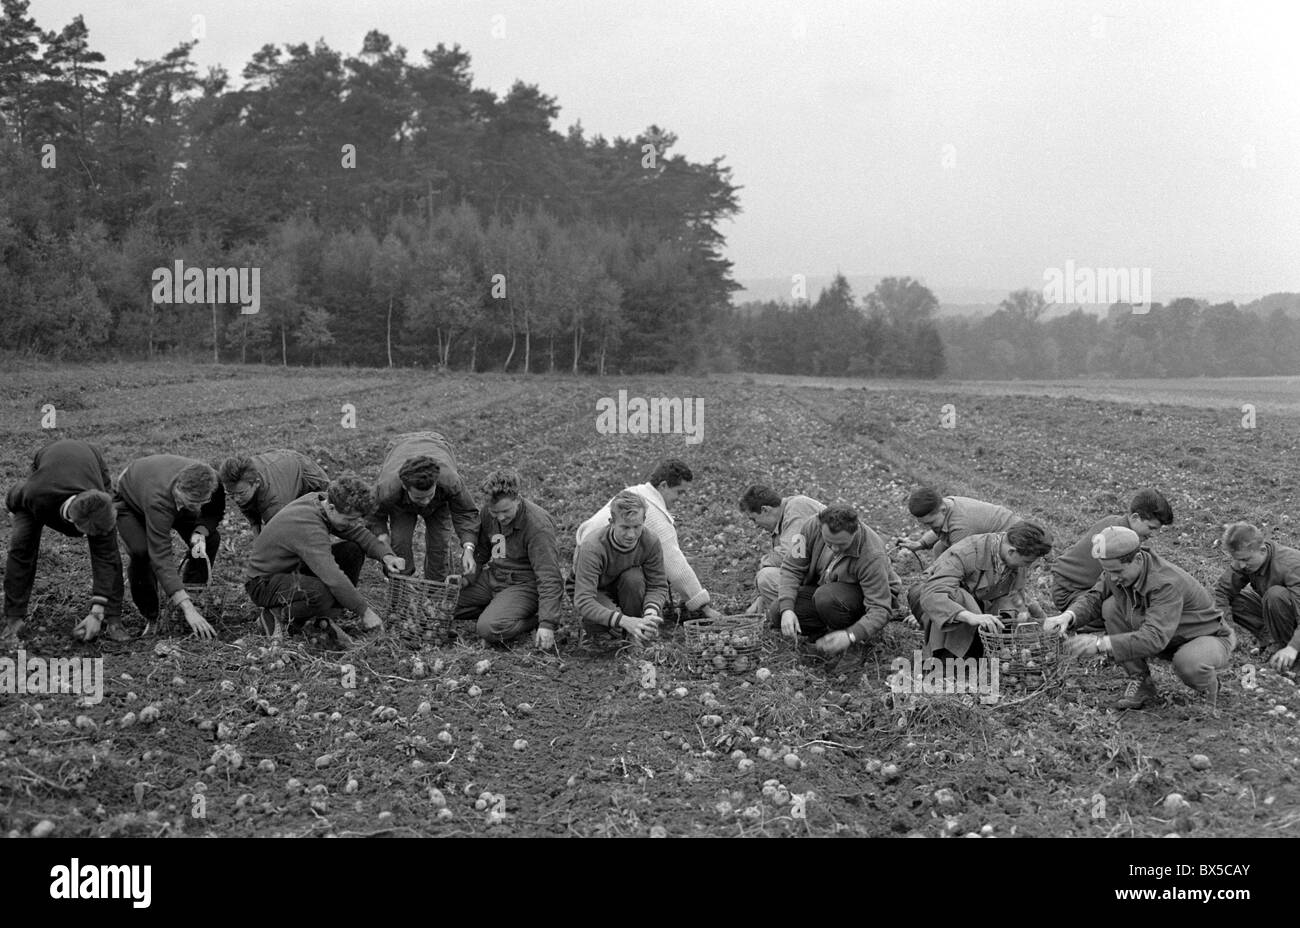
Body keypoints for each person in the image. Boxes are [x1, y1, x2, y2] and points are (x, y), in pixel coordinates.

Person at [1045, 526, 1235, 710]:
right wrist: (1068, 616)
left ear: (1137, 559)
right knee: (1110, 607)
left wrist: (1099, 644)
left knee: (1189, 663)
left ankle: (1210, 691)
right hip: (1167, 636)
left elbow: (1154, 638)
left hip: (1203, 637)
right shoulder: (1116, 570)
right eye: (1108, 571)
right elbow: (1094, 597)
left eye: (1117, 571)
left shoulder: (1165, 583)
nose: (1113, 577)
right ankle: (1141, 682)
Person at [244, 475, 404, 640]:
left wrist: (386, 556)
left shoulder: (322, 502)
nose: (353, 524)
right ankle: (277, 614)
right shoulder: (309, 527)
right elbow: (333, 578)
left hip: (290, 570)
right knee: (320, 593)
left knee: (352, 550)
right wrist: (364, 612)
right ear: (332, 508)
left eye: (356, 519)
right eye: (350, 519)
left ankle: (325, 615)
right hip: (263, 583)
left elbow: (358, 533)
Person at [4, 439, 125, 642]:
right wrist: (12, 511)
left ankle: (113, 618)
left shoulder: (101, 506)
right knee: (21, 546)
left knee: (109, 550)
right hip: (47, 461)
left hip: (89, 455)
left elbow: (106, 558)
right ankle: (13, 618)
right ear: (76, 527)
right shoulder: (35, 494)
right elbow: (14, 496)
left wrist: (97, 611)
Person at [576, 459, 722, 620]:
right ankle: (627, 621)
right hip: (593, 577)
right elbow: (676, 565)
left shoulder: (635, 493)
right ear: (664, 485)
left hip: (595, 567)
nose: (681, 498)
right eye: (679, 492)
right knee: (629, 590)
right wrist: (703, 606)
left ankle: (631, 619)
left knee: (634, 576)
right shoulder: (651, 512)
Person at [772, 505, 901, 672]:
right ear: (820, 526)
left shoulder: (872, 554)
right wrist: (787, 609)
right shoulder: (809, 527)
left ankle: (855, 645)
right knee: (778, 611)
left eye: (841, 544)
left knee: (826, 597)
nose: (835, 549)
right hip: (826, 589)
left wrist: (851, 635)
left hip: (863, 598)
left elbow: (880, 608)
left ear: (855, 531)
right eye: (829, 543)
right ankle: (826, 638)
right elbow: (792, 567)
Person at [113, 454, 224, 639]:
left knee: (210, 539)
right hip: (130, 501)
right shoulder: (159, 501)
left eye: (201, 503)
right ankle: (152, 615)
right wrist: (187, 609)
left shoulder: (213, 482)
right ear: (178, 489)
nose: (197, 508)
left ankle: (193, 593)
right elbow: (161, 555)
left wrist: (200, 532)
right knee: (142, 552)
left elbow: (214, 512)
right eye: (191, 502)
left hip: (173, 498)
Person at [454, 469, 565, 649]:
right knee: (445, 601)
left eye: (505, 511)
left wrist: (547, 623)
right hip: (495, 577)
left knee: (488, 628)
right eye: (495, 512)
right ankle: (499, 610)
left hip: (524, 585)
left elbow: (549, 576)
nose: (500, 517)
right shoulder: (488, 513)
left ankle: (532, 619)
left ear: (517, 499)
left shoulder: (538, 526)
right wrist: (468, 578)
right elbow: (481, 552)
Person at [910, 521, 1054, 659]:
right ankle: (944, 656)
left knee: (1006, 606)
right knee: (959, 597)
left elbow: (1018, 595)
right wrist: (970, 616)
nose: (1028, 566)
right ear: (1011, 551)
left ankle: (983, 650)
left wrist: (1044, 621)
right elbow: (933, 593)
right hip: (929, 593)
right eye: (1027, 561)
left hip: (975, 600)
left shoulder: (1014, 559)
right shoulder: (967, 552)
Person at [1050, 489, 1174, 624]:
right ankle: (1083, 626)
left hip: (1068, 586)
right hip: (1071, 592)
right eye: (1151, 528)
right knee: (1122, 609)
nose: (1154, 534)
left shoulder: (1114, 524)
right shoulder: (1121, 543)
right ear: (1135, 518)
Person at [368, 431, 479, 581]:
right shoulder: (388, 489)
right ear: (405, 487)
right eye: (419, 497)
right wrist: (382, 539)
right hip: (400, 448)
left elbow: (465, 513)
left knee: (439, 544)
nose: (426, 501)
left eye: (429, 495)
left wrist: (468, 548)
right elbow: (373, 516)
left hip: (436, 445)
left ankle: (436, 586)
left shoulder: (450, 481)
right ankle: (401, 584)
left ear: (436, 483)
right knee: (399, 543)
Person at [572, 490, 668, 643]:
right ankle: (603, 632)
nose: (631, 535)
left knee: (634, 578)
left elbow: (657, 585)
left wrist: (650, 613)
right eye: (625, 527)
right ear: (612, 522)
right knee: (608, 627)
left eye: (636, 527)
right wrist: (621, 620)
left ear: (644, 520)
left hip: (623, 585)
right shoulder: (593, 546)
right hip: (595, 590)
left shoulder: (650, 541)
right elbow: (584, 600)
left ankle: (636, 632)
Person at [1214, 522, 1300, 672]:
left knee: (1275, 595)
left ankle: (1292, 656)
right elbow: (1222, 591)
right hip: (1282, 615)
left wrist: (1293, 647)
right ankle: (1273, 643)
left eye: (1245, 560)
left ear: (1262, 550)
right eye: (1238, 559)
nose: (1241, 565)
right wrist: (1224, 629)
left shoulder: (1291, 565)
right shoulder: (1246, 559)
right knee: (1238, 600)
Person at [738, 484, 825, 614]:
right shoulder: (782, 520)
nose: (755, 526)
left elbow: (792, 555)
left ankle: (803, 619)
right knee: (767, 578)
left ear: (765, 510)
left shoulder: (797, 507)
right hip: (817, 580)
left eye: (754, 519)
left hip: (832, 584)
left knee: (766, 577)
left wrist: (764, 563)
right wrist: (761, 596)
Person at [219, 450, 329, 534]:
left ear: (256, 483)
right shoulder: (240, 480)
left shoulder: (275, 501)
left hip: (308, 479)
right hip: (279, 465)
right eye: (231, 494)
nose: (236, 499)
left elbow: (278, 536)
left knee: (311, 528)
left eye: (241, 494)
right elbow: (249, 510)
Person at [897, 488, 1017, 559]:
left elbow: (956, 560)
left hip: (1013, 539)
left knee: (965, 565)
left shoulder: (962, 526)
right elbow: (943, 528)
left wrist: (931, 575)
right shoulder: (945, 504)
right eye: (926, 524)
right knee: (939, 548)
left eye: (931, 523)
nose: (930, 527)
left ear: (943, 510)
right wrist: (921, 543)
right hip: (988, 532)